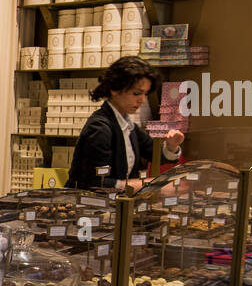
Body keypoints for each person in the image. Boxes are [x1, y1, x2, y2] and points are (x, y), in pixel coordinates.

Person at [67, 56, 183, 191]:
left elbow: (155, 154)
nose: (142, 100)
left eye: (145, 94)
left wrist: (171, 146)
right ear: (115, 89)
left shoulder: (128, 125)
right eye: (136, 93)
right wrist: (148, 185)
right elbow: (93, 183)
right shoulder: (99, 128)